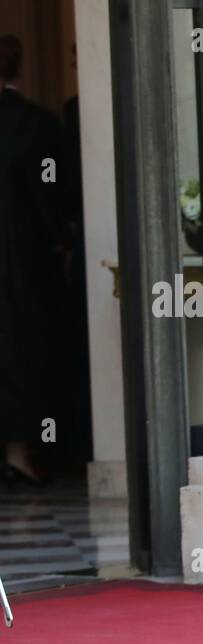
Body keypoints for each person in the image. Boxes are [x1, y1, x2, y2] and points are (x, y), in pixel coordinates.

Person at [0, 34, 63, 489]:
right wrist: (59, 239)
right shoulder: (38, 125)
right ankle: (20, 451)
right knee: (24, 349)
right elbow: (52, 194)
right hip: (23, 260)